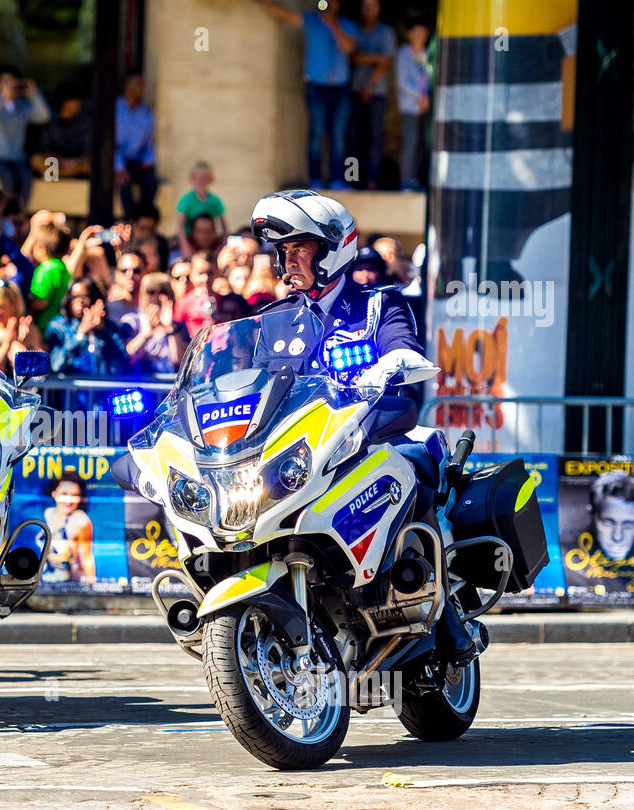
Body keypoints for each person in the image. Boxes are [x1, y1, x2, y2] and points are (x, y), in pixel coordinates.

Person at [249, 189, 480, 663]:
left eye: (300, 250)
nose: (288, 261)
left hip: (373, 434)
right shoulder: (271, 321)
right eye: (284, 252)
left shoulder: (378, 304)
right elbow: (244, 386)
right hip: (300, 452)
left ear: (334, 249)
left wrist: (389, 366)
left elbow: (403, 347)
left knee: (409, 467)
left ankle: (444, 618)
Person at [259, 1, 359, 189]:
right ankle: (315, 180)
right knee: (316, 134)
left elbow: (349, 48)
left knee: (338, 135)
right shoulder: (310, 21)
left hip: (341, 87)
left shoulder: (347, 25)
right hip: (316, 87)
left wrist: (332, 24)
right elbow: (283, 13)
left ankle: (338, 179)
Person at [0, 65, 50, 207]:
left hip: (18, 159)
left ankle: (19, 215)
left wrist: (33, 93)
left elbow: (43, 116)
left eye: (12, 82)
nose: (9, 86)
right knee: (8, 180)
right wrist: (2, 97)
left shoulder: (22, 106)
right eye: (5, 82)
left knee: (26, 178)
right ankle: (6, 216)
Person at [349, 0, 396, 190]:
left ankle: (372, 181)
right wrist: (376, 58)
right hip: (354, 92)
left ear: (379, 9)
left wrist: (369, 85)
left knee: (374, 139)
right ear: (361, 8)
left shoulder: (386, 32)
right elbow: (354, 57)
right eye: (366, 6)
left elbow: (386, 62)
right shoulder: (354, 30)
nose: (369, 10)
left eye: (373, 6)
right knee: (354, 138)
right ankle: (351, 179)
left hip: (376, 94)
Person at [121, 272, 186, 375]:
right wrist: (146, 333)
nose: (156, 297)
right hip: (138, 386)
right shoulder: (131, 321)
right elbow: (130, 357)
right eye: (151, 292)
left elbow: (179, 362)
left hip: (168, 387)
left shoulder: (178, 327)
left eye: (163, 292)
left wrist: (170, 328)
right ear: (143, 295)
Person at [115, 73, 156, 218]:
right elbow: (110, 145)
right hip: (117, 161)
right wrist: (119, 167)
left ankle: (143, 219)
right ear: (128, 87)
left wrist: (148, 162)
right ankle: (131, 221)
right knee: (124, 183)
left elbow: (148, 143)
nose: (142, 89)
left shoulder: (145, 114)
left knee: (151, 183)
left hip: (137, 161)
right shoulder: (114, 109)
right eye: (139, 85)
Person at [397, 23, 431, 190]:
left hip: (425, 107)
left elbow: (430, 78)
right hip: (410, 107)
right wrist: (421, 97)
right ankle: (406, 180)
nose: (419, 36)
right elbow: (403, 81)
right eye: (415, 32)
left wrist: (428, 97)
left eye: (422, 33)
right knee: (410, 142)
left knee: (421, 143)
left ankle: (416, 179)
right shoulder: (404, 53)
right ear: (409, 34)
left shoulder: (427, 54)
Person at [43, 473, 95, 584]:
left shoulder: (81, 520)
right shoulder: (48, 513)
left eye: (75, 495)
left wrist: (92, 587)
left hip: (68, 584)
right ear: (54, 493)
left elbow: (87, 557)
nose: (69, 500)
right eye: (64, 494)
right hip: (44, 580)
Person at [33, 82, 91, 179]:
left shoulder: (83, 120)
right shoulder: (49, 118)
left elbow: (87, 149)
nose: (78, 105)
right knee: (37, 160)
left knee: (95, 165)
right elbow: (44, 148)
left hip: (77, 165)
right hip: (56, 163)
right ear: (65, 102)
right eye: (74, 101)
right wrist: (62, 161)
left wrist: (77, 161)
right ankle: (52, 187)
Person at [176, 162, 227, 257]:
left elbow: (225, 226)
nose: (201, 180)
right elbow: (180, 227)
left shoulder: (215, 200)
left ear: (211, 179)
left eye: (204, 177)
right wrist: (185, 246)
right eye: (198, 177)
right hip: (190, 240)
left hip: (210, 240)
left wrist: (224, 244)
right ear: (191, 179)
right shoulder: (186, 200)